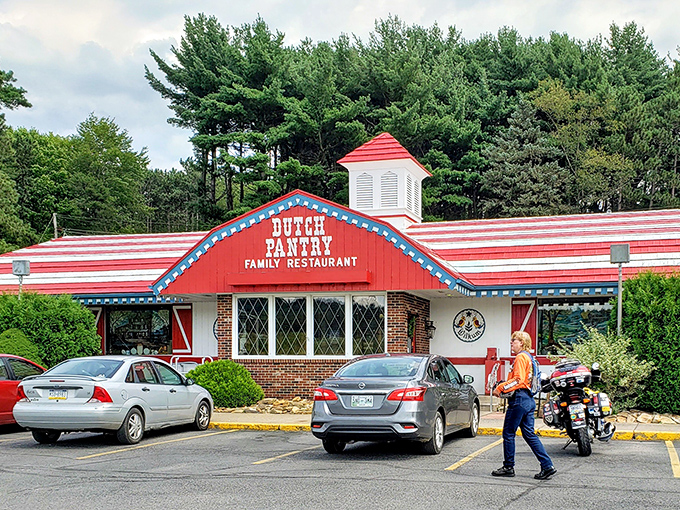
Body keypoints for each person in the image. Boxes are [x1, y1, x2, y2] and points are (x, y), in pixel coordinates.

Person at [492, 331, 557, 480]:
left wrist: (500, 388)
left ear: (521, 342)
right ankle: (547, 465)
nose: (511, 343)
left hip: (519, 399)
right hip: (528, 400)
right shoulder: (530, 358)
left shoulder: (521, 357)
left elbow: (518, 380)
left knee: (508, 433)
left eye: (514, 340)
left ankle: (508, 467)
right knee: (529, 434)